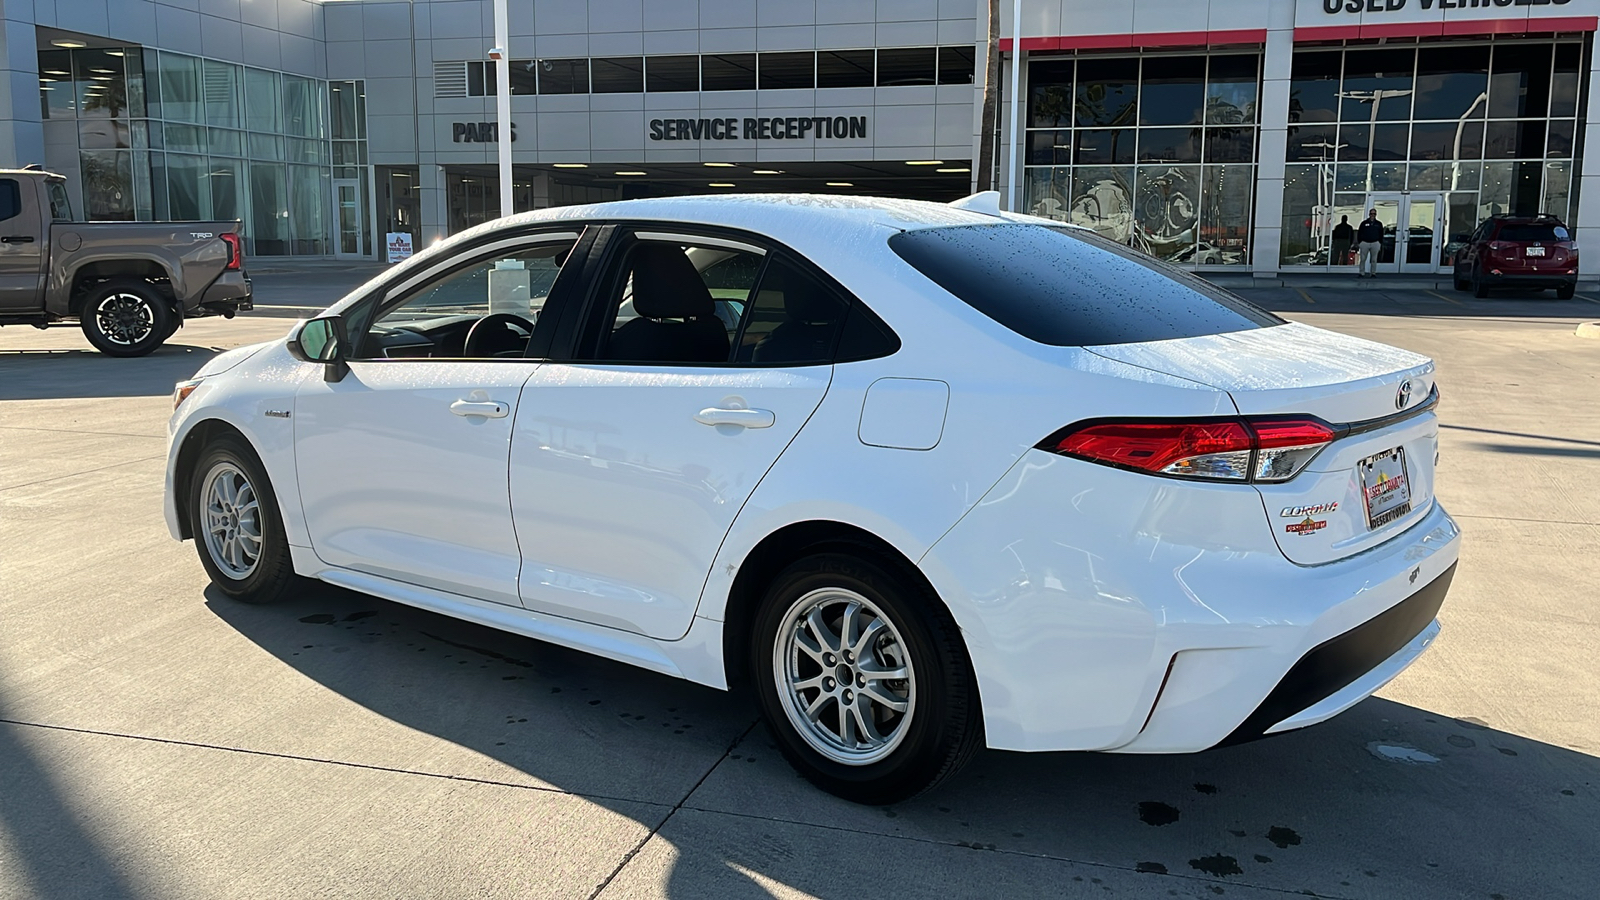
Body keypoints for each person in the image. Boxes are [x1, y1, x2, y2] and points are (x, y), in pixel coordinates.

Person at [1356, 209, 1384, 278]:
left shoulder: (1379, 224)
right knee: (1362, 259)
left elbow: (1381, 234)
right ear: (1369, 214)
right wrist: (1360, 242)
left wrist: (1379, 242)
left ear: (1376, 215)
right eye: (1371, 214)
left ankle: (1373, 273)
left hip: (1375, 243)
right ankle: (1361, 272)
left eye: (1374, 214)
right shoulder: (1364, 223)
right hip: (1365, 243)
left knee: (1374, 259)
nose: (1372, 215)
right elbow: (1359, 233)